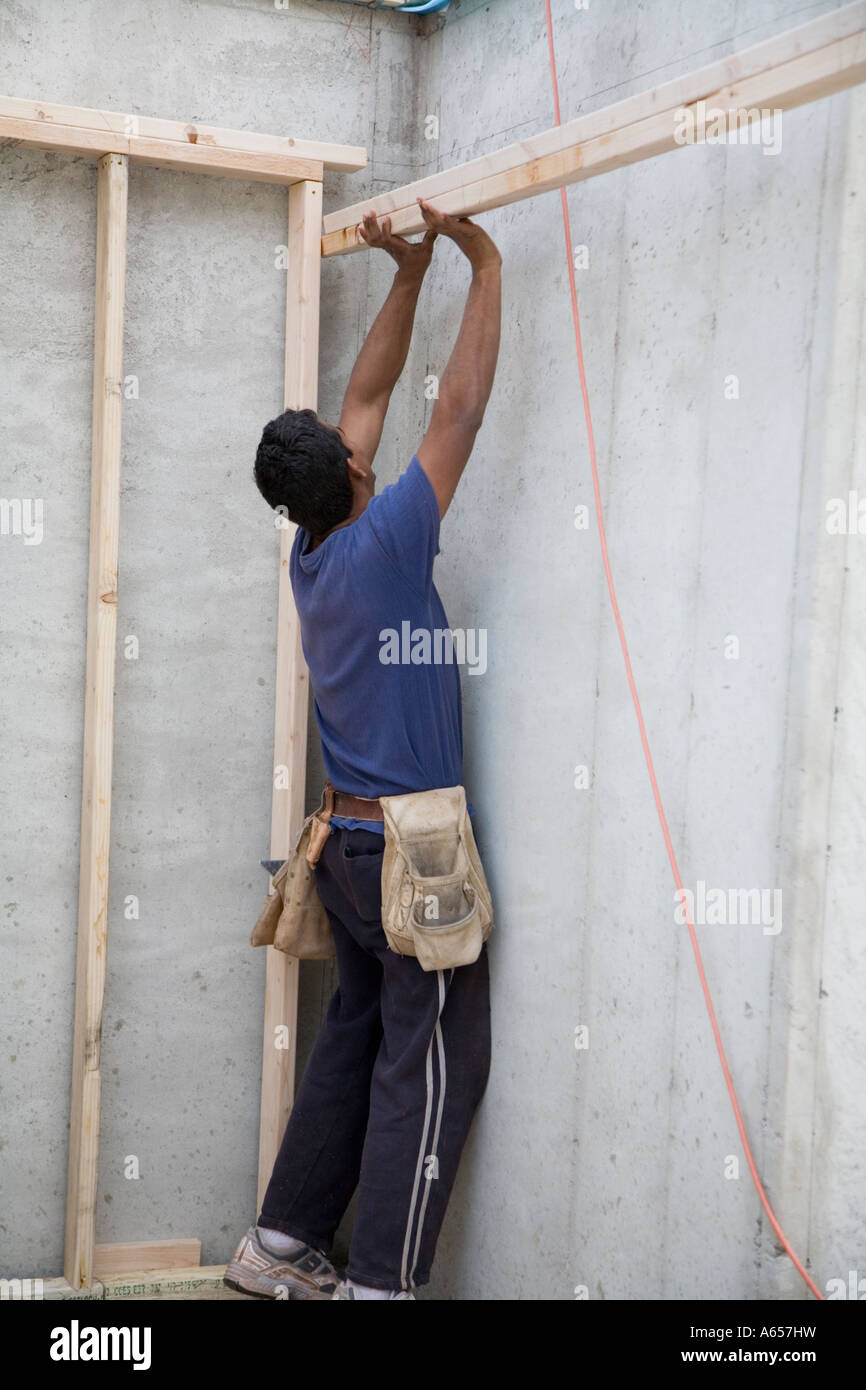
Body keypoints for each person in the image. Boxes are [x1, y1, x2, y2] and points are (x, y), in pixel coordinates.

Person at [225, 197, 502, 1301]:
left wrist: (407, 272)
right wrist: (481, 262)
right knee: (431, 1057)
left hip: (344, 846)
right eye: (350, 452)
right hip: (406, 857)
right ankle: (382, 1283)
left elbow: (371, 396)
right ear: (344, 477)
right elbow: (460, 406)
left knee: (355, 1033)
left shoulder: (312, 551)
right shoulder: (386, 539)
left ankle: (280, 1245)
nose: (362, 445)